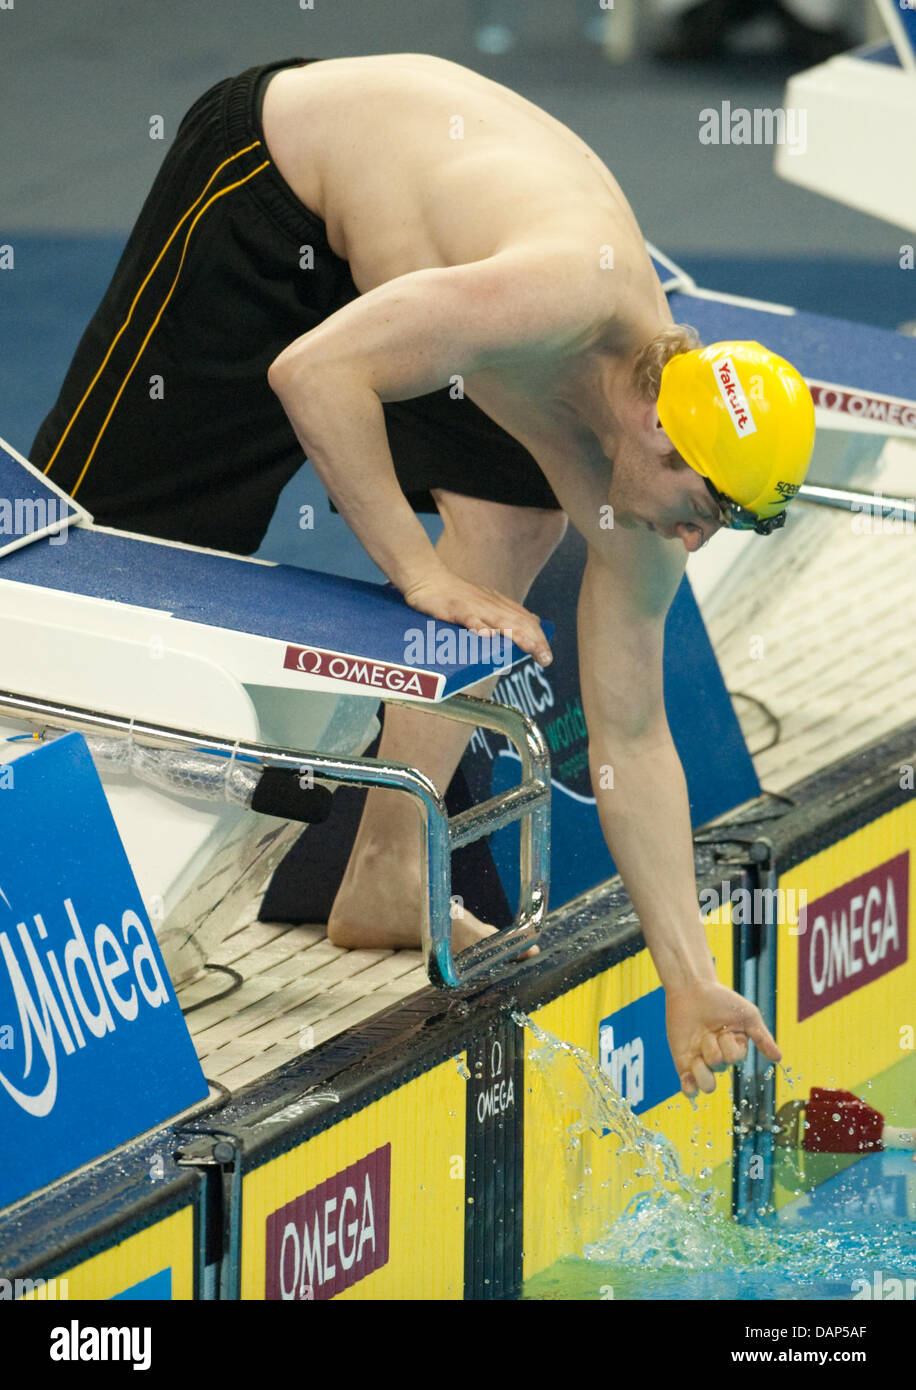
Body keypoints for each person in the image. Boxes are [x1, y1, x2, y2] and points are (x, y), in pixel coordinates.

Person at [31, 54, 815, 1099]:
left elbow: (632, 738)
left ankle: (391, 868)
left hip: (422, 283)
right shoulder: (553, 296)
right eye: (706, 511)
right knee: (95, 565)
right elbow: (313, 369)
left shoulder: (639, 478)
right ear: (663, 437)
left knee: (515, 507)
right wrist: (413, 568)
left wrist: (690, 977)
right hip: (274, 190)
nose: (696, 539)